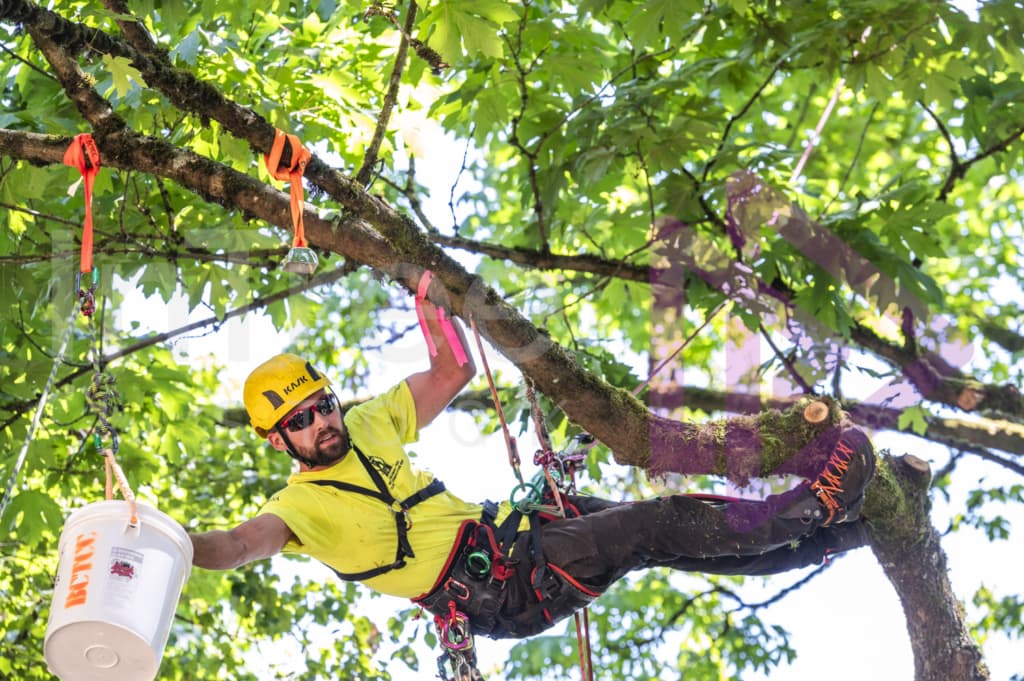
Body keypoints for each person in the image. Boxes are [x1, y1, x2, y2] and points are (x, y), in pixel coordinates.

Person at [188, 298, 875, 640]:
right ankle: (816, 504)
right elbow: (240, 544)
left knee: (670, 535)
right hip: (499, 586)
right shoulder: (298, 508)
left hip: (515, 537)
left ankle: (830, 536)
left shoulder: (368, 423)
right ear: (280, 442)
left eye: (323, 405)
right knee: (654, 524)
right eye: (302, 422)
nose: (323, 423)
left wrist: (427, 295)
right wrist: (178, 544)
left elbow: (452, 369)